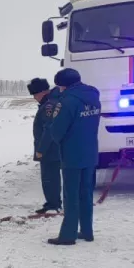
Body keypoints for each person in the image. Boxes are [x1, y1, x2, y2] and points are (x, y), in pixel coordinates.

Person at [45, 67, 101, 245]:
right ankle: (87, 231)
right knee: (86, 193)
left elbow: (57, 132)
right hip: (90, 152)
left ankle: (68, 235)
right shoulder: (93, 96)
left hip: (72, 155)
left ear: (64, 86)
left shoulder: (67, 102)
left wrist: (50, 126)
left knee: (71, 195)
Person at [28, 77, 62, 214]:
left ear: (42, 92)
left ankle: (53, 205)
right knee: (50, 177)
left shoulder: (49, 105)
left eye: (35, 95)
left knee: (49, 177)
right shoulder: (51, 102)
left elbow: (49, 129)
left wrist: (41, 149)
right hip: (52, 147)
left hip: (50, 149)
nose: (34, 98)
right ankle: (53, 203)